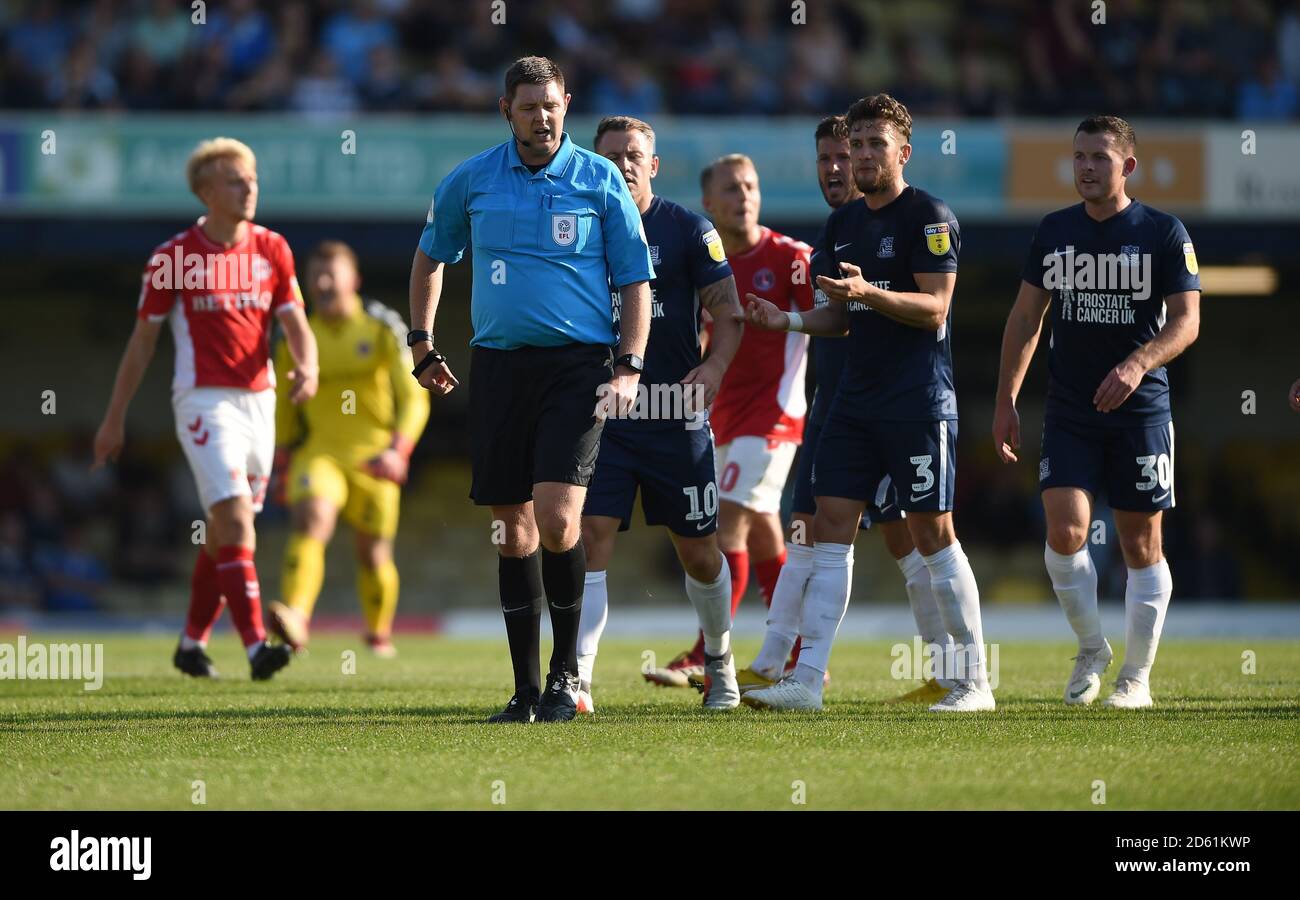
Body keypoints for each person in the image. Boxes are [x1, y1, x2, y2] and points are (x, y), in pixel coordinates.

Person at [409, 57, 654, 723]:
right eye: (528, 107)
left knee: (557, 518)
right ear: (505, 110)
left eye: (551, 105)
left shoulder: (599, 179)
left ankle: (566, 676)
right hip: (499, 367)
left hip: (579, 366)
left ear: (566, 105)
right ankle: (522, 689)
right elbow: (432, 255)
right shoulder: (472, 180)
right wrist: (422, 341)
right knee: (509, 528)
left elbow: (636, 280)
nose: (541, 117)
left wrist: (629, 367)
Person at [740, 94, 993, 713]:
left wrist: (868, 293)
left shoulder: (929, 216)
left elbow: (935, 308)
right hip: (852, 402)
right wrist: (788, 321)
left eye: (875, 144)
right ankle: (806, 681)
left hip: (916, 402)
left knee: (933, 535)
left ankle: (973, 681)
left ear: (903, 152)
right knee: (831, 530)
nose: (861, 156)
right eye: (855, 145)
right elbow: (842, 317)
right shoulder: (842, 225)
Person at [993, 115, 1201, 709]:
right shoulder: (1054, 231)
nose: (1085, 167)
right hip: (1070, 409)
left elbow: (1187, 321)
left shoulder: (1163, 232)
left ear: (1127, 167)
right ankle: (1092, 647)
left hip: (1141, 412)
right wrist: (1007, 397)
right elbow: (1026, 318)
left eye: (1099, 158)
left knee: (1140, 544)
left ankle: (1136, 678)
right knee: (1065, 533)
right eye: (1079, 156)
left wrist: (1138, 364)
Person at [93, 136, 318, 680]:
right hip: (203, 401)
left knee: (223, 534)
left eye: (252, 179)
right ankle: (255, 648)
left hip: (259, 403)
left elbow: (295, 324)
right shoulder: (173, 258)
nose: (249, 188)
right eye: (235, 180)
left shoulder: (273, 248)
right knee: (238, 522)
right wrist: (114, 415)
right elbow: (142, 341)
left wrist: (307, 366)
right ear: (205, 191)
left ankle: (191, 645)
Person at [575, 115, 745, 712]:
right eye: (612, 154)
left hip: (675, 414)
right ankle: (579, 682)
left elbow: (728, 312)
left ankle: (720, 664)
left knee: (698, 550)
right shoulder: (577, 225)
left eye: (634, 154)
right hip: (602, 413)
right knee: (588, 536)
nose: (623, 163)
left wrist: (716, 368)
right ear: (595, 163)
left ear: (654, 165)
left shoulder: (689, 230)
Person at [641, 153, 813, 688]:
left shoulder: (790, 257)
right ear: (708, 204)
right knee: (762, 534)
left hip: (775, 415)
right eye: (732, 189)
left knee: (728, 521)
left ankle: (704, 653)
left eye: (751, 186)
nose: (744, 197)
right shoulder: (703, 261)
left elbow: (832, 324)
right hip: (722, 415)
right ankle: (799, 657)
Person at [266, 241, 430, 658]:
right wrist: (282, 459)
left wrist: (400, 450)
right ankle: (296, 621)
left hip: (374, 457)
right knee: (311, 519)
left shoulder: (380, 327)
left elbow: (413, 396)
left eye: (329, 274)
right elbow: (285, 402)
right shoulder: (296, 333)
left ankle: (378, 636)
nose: (320, 283)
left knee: (373, 552)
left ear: (353, 280)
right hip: (320, 454)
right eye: (314, 275)